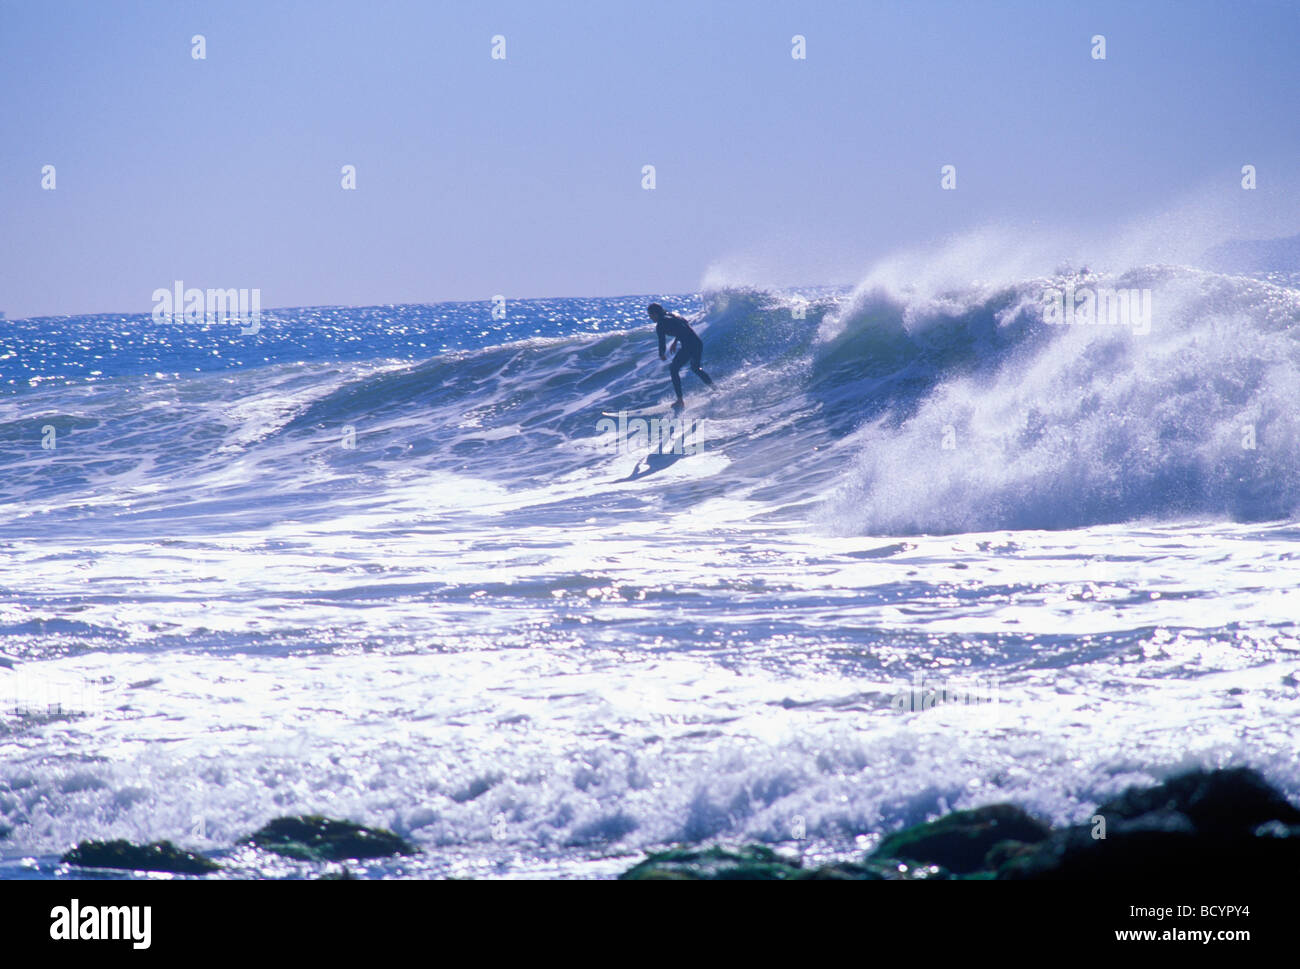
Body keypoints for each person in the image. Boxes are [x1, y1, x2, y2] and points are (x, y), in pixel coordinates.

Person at [647, 302, 715, 409]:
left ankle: (680, 400)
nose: (650, 318)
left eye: (650, 315)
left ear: (655, 314)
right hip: (697, 342)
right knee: (696, 368)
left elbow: (662, 341)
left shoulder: (661, 324)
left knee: (673, 369)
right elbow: (684, 325)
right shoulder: (673, 315)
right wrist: (675, 341)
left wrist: (661, 354)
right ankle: (715, 388)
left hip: (688, 345)